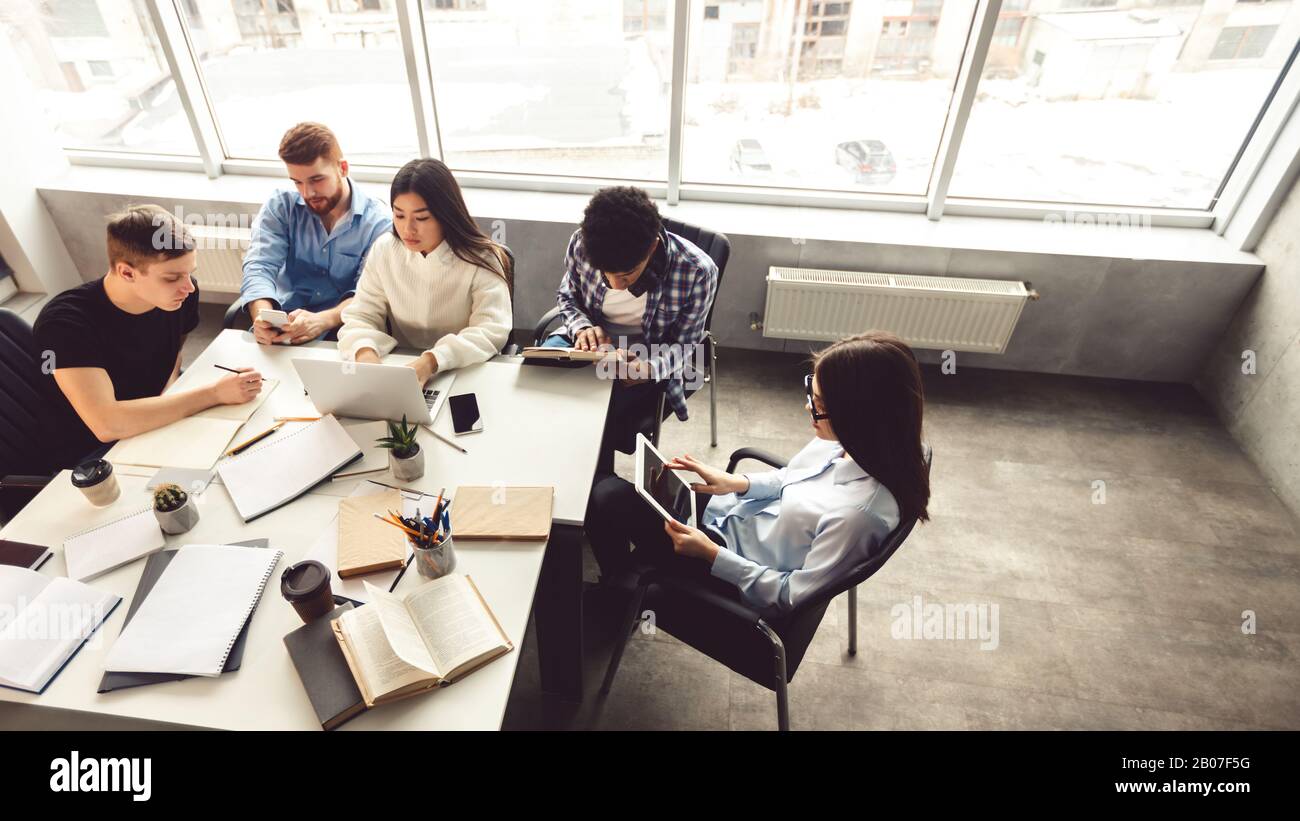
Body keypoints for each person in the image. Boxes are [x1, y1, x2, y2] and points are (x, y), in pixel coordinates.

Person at [585, 331, 930, 613]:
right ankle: (624, 584)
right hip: (734, 518)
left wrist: (711, 554)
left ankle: (620, 597)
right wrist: (736, 482)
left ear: (860, 415)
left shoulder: (858, 517)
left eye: (821, 405)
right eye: (813, 392)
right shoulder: (856, 444)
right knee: (642, 490)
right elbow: (790, 478)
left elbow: (790, 596)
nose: (808, 406)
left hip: (730, 564)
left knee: (605, 494)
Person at [33, 205, 264, 470]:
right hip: (93, 454)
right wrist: (212, 394)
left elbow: (172, 353)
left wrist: (172, 396)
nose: (188, 287)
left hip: (154, 418)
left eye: (190, 273)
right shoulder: (64, 325)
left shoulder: (180, 296)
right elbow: (108, 425)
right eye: (172, 277)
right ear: (127, 272)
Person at [544, 186, 717, 472]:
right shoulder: (581, 243)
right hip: (585, 348)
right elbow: (568, 296)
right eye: (605, 274)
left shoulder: (698, 271)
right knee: (537, 391)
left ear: (652, 247)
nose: (614, 285)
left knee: (595, 424)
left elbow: (686, 345)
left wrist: (648, 368)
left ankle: (593, 492)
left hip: (646, 358)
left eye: (626, 275)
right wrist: (582, 327)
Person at [337, 158, 512, 383]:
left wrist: (431, 361)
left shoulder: (482, 258)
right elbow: (361, 315)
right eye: (399, 215)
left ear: (445, 214)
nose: (408, 229)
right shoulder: (385, 250)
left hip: (464, 372)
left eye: (421, 218)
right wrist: (365, 352)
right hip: (401, 370)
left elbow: (490, 330)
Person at [237, 122, 392, 345]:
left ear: (343, 168)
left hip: (341, 332)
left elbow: (368, 294)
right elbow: (259, 266)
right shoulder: (281, 206)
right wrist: (262, 315)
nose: (307, 193)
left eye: (316, 180)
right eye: (297, 182)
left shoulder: (379, 223)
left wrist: (323, 320)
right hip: (281, 325)